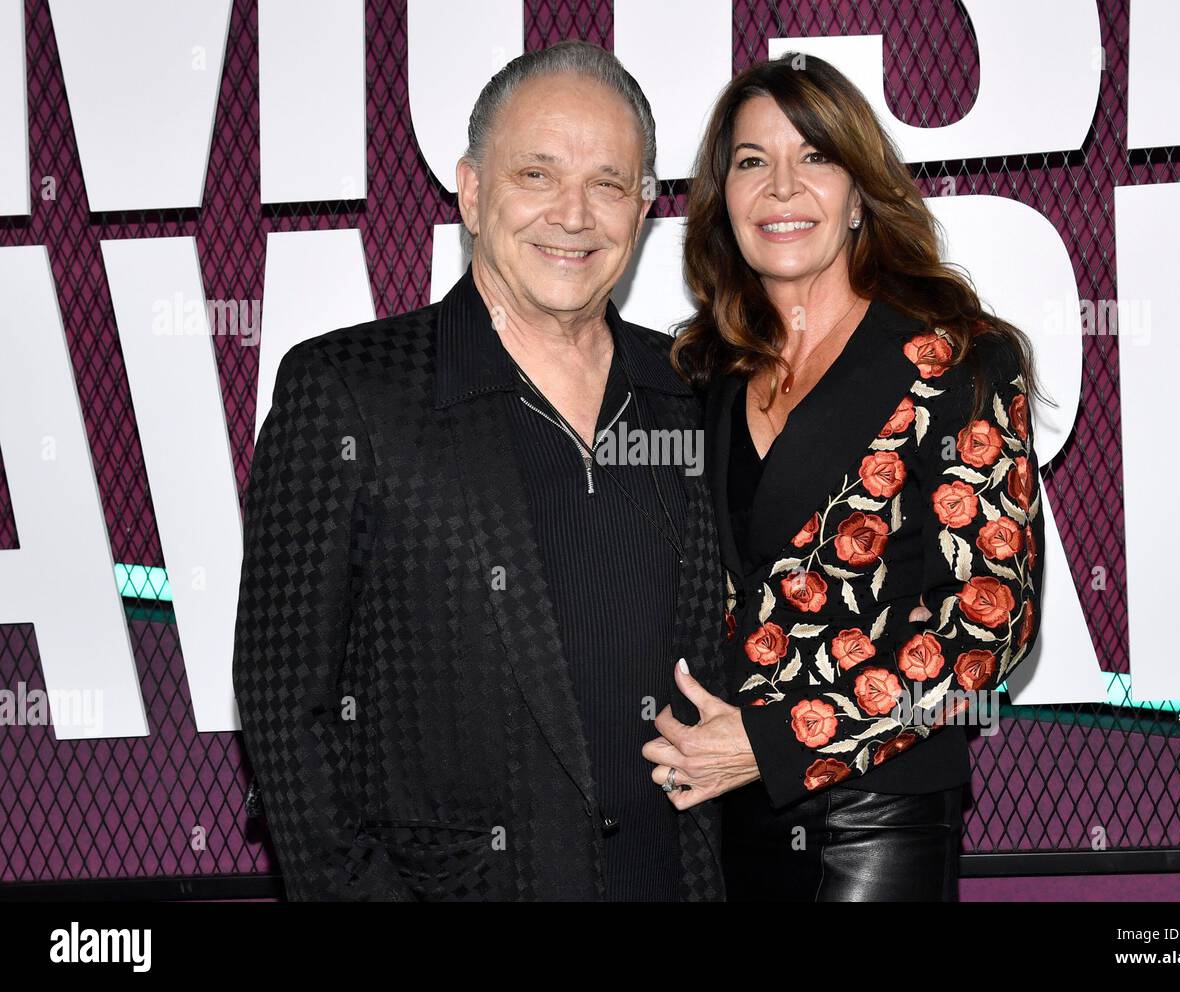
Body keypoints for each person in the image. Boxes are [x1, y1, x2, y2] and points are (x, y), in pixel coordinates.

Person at [232, 40, 729, 901]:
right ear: (468, 191)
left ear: (644, 209)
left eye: (608, 184)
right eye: (535, 175)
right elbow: (284, 705)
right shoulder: (352, 391)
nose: (572, 215)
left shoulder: (692, 391)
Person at [643, 53, 1050, 901]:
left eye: (815, 158)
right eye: (752, 162)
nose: (781, 187)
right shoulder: (703, 371)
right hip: (720, 816)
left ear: (860, 194)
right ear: (724, 201)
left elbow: (993, 626)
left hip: (877, 825)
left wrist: (777, 744)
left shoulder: (956, 362)